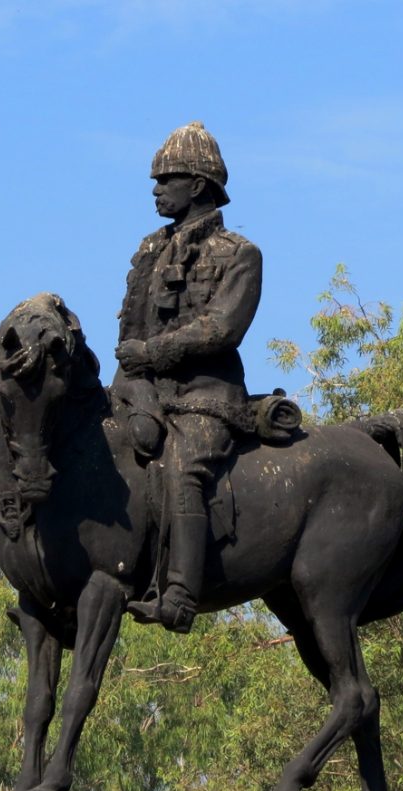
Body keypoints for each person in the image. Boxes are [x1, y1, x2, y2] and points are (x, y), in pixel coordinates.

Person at [115, 122, 263, 633]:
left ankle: (179, 595)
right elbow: (130, 328)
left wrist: (153, 354)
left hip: (206, 398)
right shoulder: (148, 251)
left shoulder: (239, 254)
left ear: (196, 185)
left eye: (165, 180)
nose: (156, 191)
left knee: (183, 469)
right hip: (142, 391)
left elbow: (222, 328)